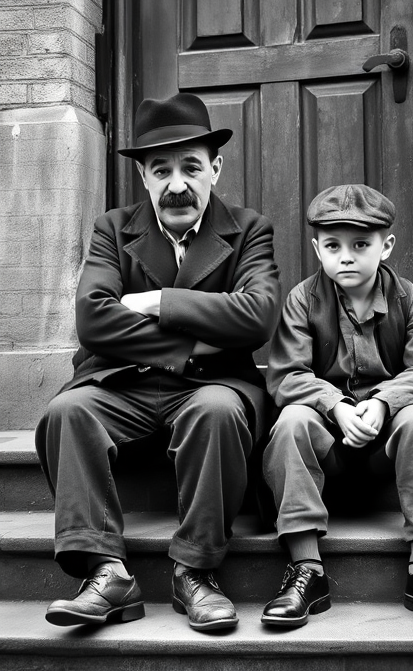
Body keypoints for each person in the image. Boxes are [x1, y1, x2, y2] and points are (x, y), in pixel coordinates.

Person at [35, 92, 280, 632]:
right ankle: (106, 572)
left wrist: (157, 303)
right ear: (143, 176)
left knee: (216, 411)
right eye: (161, 170)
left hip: (211, 387)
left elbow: (258, 317)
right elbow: (94, 320)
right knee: (67, 412)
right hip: (121, 384)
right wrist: (190, 344)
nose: (176, 184)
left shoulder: (249, 229)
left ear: (213, 168)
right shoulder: (112, 228)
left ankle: (195, 572)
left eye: (191, 167)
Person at [261, 184, 413, 628]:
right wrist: (334, 404)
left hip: (387, 446)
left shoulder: (408, 299)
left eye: (361, 245)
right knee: (292, 419)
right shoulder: (303, 300)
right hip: (329, 443)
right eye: (333, 246)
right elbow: (285, 375)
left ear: (386, 245)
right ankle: (306, 569)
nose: (347, 257)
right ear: (317, 249)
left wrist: (383, 402)